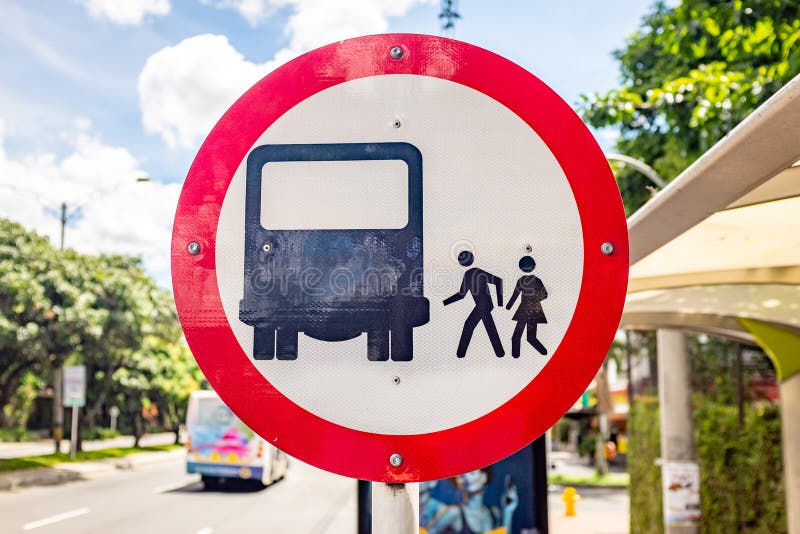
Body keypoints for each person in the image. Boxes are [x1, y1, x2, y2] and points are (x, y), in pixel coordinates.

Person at [443, 251, 505, 358]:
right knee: (489, 327)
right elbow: (461, 295)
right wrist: (446, 302)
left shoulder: (473, 273)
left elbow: (498, 281)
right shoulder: (471, 273)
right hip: (485, 305)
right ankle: (500, 353)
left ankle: (460, 354)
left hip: (484, 305)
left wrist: (500, 303)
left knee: (468, 325)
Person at [506, 255, 548, 357]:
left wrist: (508, 306)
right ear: (533, 266)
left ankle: (515, 356)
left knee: (516, 336)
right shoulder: (536, 280)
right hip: (534, 311)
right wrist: (535, 300)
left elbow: (515, 295)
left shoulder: (521, 280)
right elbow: (545, 294)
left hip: (524, 311)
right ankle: (543, 352)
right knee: (531, 338)